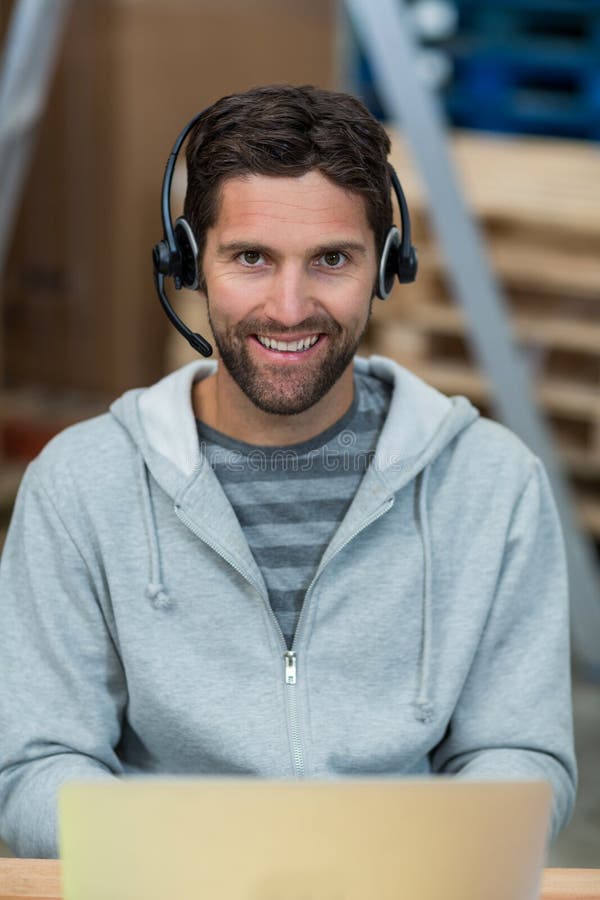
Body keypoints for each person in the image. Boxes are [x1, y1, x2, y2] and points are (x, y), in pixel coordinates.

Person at [0, 84, 576, 859]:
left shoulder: (491, 483)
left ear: (386, 268)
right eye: (251, 258)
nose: (290, 306)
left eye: (331, 259)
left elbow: (521, 754)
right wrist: (214, 859)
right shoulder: (82, 484)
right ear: (189, 262)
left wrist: (405, 859)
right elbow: (33, 767)